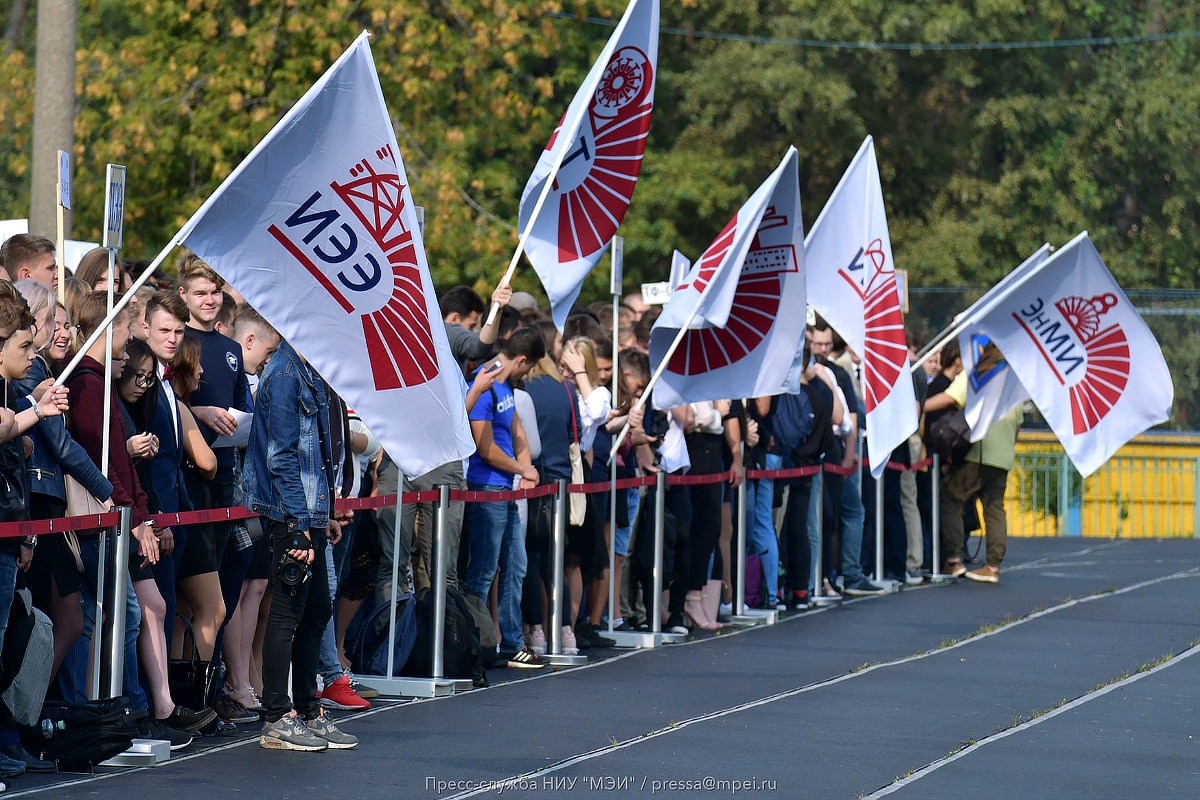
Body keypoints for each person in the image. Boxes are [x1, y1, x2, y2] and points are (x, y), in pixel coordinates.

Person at [242, 337, 358, 751]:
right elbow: (282, 457)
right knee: (288, 614)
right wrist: (296, 523)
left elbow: (318, 456)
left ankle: (308, 709)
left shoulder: (308, 372)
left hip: (309, 514)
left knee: (315, 613)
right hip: (289, 515)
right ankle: (277, 715)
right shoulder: (286, 375)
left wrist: (322, 515)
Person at [463, 328, 545, 669]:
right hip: (487, 487)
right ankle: (476, 643)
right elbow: (485, 448)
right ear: (522, 359)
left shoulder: (504, 385)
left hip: (506, 486)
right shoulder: (484, 384)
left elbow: (515, 430)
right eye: (530, 368)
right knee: (483, 570)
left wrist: (526, 468)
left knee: (516, 565)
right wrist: (520, 469)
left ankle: (511, 642)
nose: (527, 374)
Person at [931, 371, 1023, 583]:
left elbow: (951, 397)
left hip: (977, 452)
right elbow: (1017, 426)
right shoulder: (1013, 381)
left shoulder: (979, 370)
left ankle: (954, 560)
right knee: (995, 509)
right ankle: (993, 566)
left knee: (951, 500)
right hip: (1003, 456)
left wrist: (919, 406)